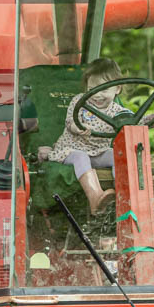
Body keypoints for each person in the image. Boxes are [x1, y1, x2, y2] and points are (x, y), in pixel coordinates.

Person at [38, 56, 127, 213]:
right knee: (81, 157)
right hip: (71, 149)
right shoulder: (79, 101)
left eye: (104, 90)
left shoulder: (117, 111)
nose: (97, 95)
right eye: (93, 89)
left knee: (118, 155)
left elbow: (137, 120)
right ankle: (95, 198)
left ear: (117, 89)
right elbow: (70, 121)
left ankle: (125, 196)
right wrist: (76, 128)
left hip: (98, 152)